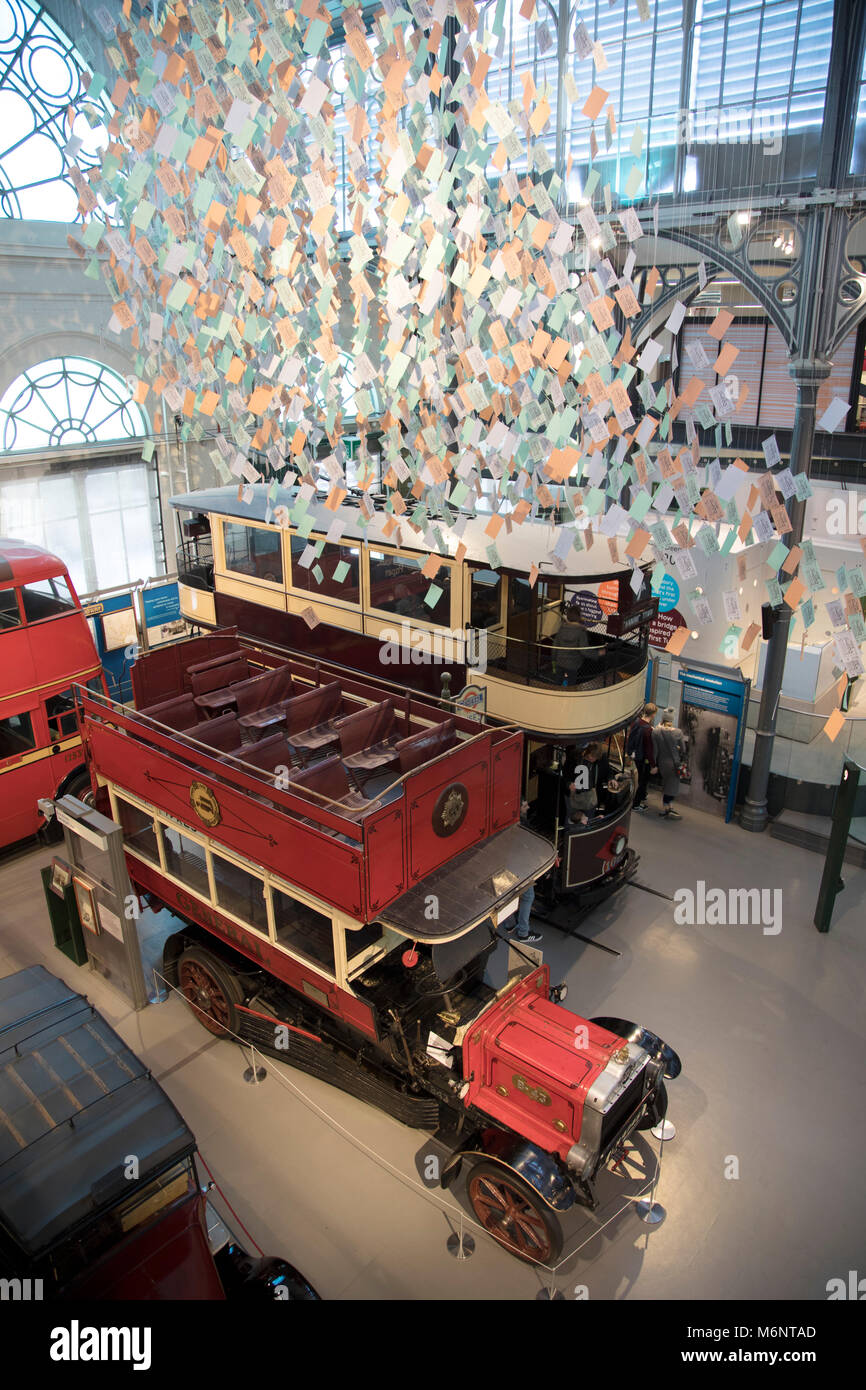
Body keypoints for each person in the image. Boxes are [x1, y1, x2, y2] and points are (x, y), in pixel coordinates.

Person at [505, 801, 541, 943]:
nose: (528, 807)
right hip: (522, 867)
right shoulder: (523, 825)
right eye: (525, 805)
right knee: (528, 897)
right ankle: (523, 933)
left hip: (506, 865)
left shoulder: (507, 821)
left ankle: (509, 924)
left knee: (507, 897)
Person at [652, 709, 687, 819]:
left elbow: (655, 751)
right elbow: (683, 749)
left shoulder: (656, 732)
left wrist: (654, 765)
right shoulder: (678, 733)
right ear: (672, 720)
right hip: (674, 764)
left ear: (663, 719)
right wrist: (677, 748)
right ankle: (668, 808)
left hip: (662, 764)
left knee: (666, 784)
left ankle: (668, 807)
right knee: (672, 786)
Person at [627, 702, 658, 810]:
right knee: (642, 781)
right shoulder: (648, 730)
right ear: (653, 714)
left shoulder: (636, 722)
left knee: (636, 780)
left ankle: (636, 799)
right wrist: (653, 765)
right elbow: (649, 749)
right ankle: (636, 804)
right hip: (642, 759)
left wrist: (630, 752)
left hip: (634, 756)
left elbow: (631, 738)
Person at [567, 742, 603, 824]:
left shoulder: (600, 759)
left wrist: (611, 779)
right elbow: (566, 772)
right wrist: (568, 784)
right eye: (591, 756)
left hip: (589, 798)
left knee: (588, 822)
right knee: (571, 821)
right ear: (587, 751)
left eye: (595, 758)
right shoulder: (575, 755)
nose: (592, 759)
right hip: (574, 796)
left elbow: (607, 771)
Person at [552, 603, 589, 685]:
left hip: (560, 662)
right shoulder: (581, 631)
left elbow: (555, 647)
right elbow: (584, 650)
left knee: (558, 683)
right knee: (571, 684)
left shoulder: (562, 629)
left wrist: (554, 660)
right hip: (573, 665)